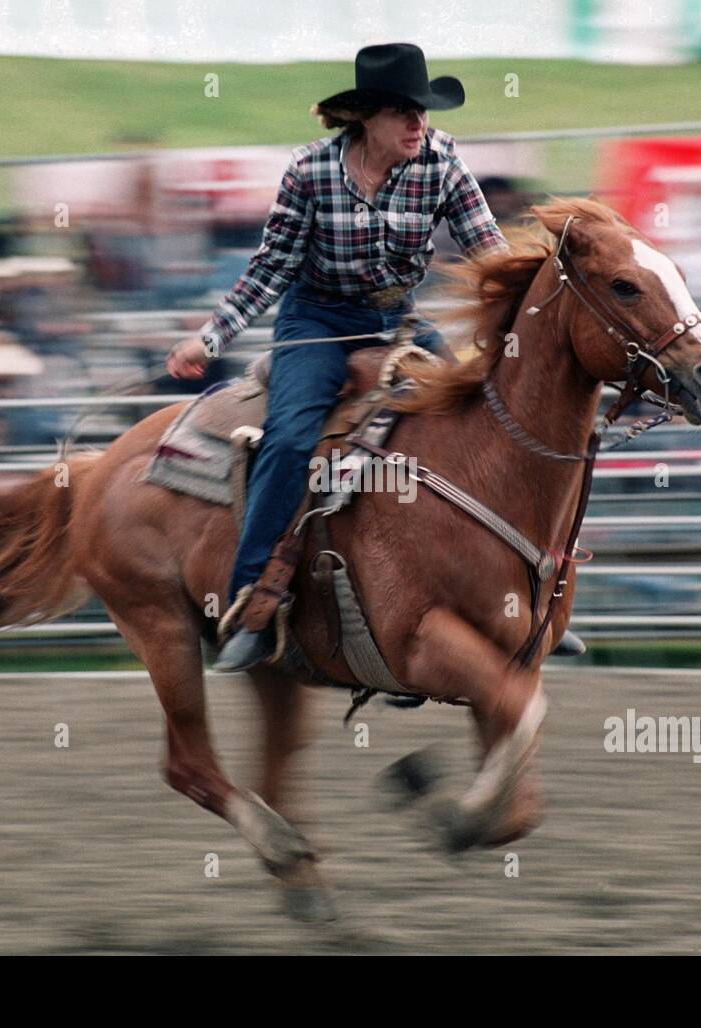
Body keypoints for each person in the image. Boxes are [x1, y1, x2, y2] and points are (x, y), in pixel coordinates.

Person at [166, 42, 509, 671]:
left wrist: (517, 322)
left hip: (398, 320)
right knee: (292, 438)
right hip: (317, 320)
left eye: (423, 112)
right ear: (366, 118)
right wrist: (209, 338)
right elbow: (270, 269)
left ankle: (516, 599)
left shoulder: (443, 162)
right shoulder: (309, 172)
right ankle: (251, 602)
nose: (419, 124)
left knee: (481, 411)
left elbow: (491, 253)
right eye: (405, 112)